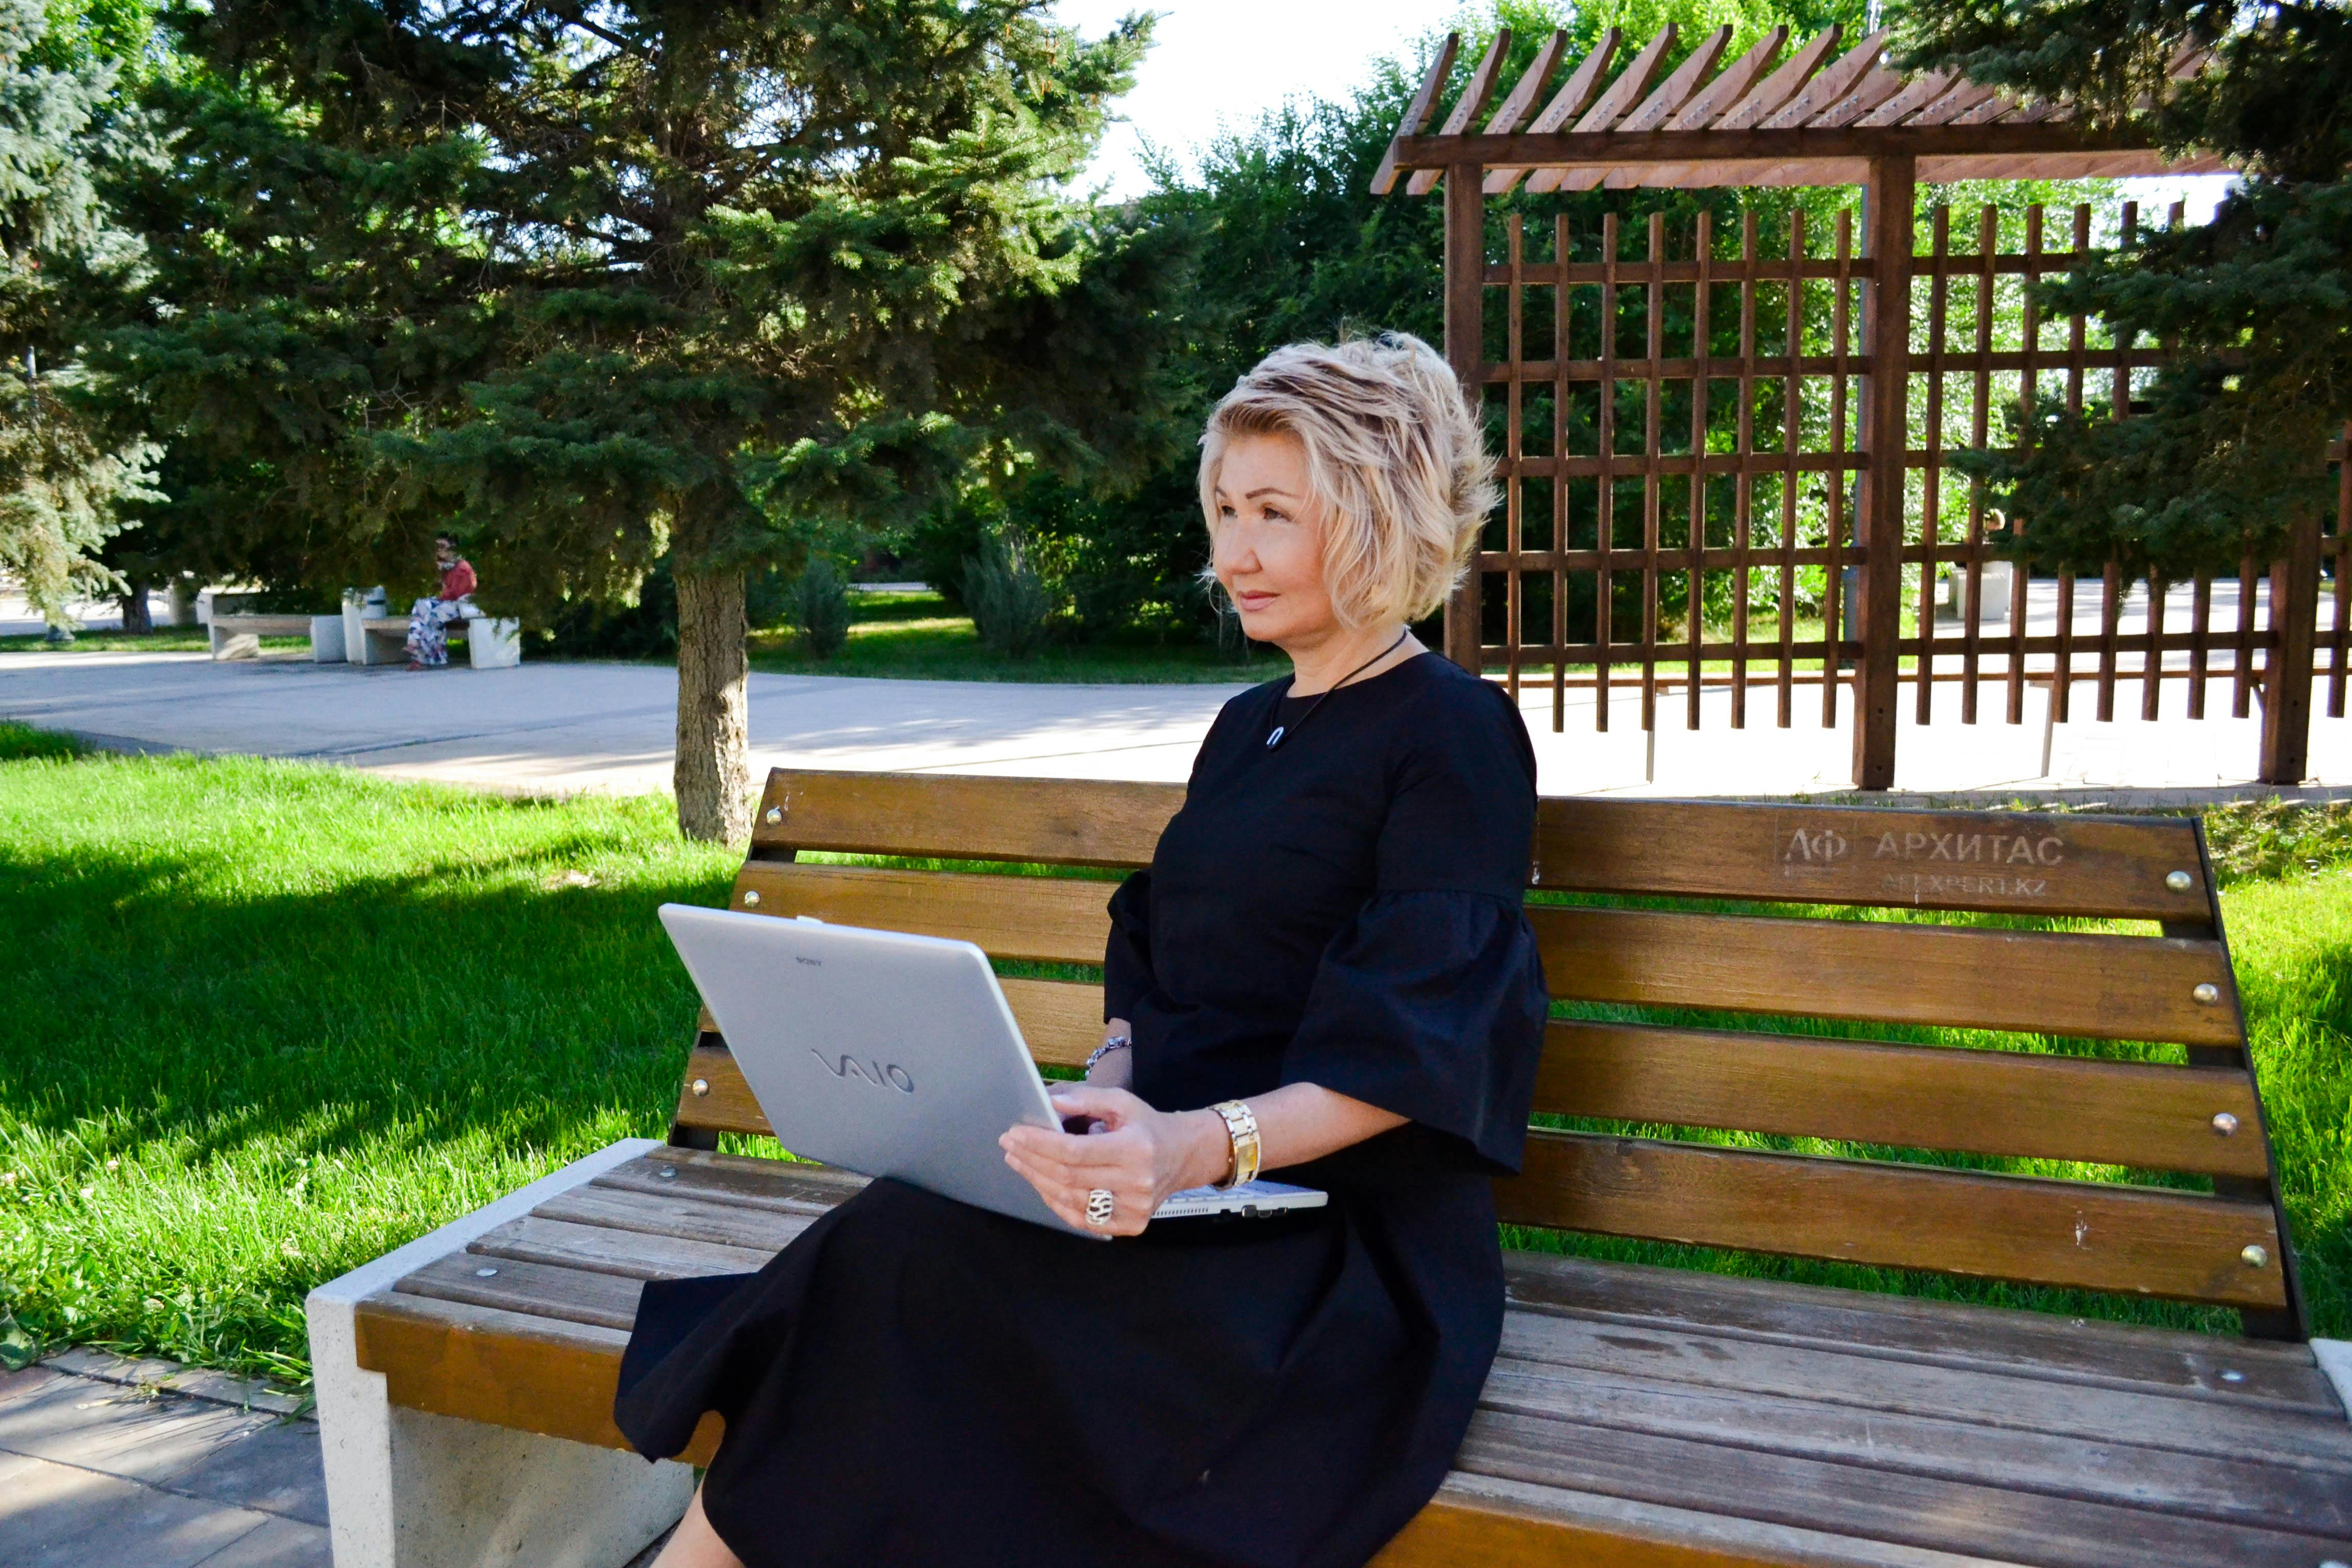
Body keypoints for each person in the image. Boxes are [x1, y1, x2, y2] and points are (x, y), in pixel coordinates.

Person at [614, 332, 1549, 1568]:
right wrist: (1111, 1089)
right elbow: (1163, 952)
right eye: (1223, 508)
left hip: (1332, 1242)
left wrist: (1199, 1144)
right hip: (1187, 1190)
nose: (1234, 550)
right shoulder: (1247, 726)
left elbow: (1423, 1039)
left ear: (1380, 512)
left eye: (1275, 511)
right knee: (904, 1236)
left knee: (909, 1268)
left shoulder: (1454, 733)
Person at [404, 534, 477, 669]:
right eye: (436, 547)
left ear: (452, 548)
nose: (439, 550)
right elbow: (445, 594)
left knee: (429, 615)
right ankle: (418, 646)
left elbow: (456, 594)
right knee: (422, 606)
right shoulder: (447, 567)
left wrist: (441, 589)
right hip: (449, 604)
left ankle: (422, 654)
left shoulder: (462, 567)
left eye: (442, 547)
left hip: (461, 606)